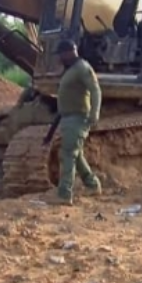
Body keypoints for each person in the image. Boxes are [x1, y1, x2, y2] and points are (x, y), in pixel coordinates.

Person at [43, 39, 102, 205]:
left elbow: (95, 90)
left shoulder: (82, 68)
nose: (59, 58)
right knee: (76, 154)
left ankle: (64, 195)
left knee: (67, 154)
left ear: (69, 52)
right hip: (68, 117)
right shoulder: (71, 70)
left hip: (78, 117)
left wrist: (94, 113)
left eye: (61, 54)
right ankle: (92, 184)